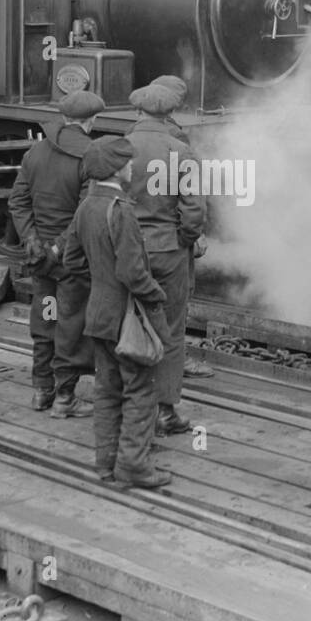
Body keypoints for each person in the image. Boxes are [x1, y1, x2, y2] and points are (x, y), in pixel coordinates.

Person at [65, 136, 171, 489]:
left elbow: (71, 260)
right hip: (127, 317)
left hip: (98, 315)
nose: (131, 167)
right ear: (115, 169)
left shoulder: (86, 207)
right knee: (140, 391)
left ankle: (106, 465)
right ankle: (134, 468)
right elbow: (132, 273)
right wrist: (156, 294)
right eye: (126, 163)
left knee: (107, 391)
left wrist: (101, 282)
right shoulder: (121, 210)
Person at [9, 90, 104, 417]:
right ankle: (65, 397)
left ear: (64, 118)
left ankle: (41, 390)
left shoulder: (35, 152)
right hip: (72, 262)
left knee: (45, 319)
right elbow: (84, 213)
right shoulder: (90, 158)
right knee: (71, 325)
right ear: (91, 121)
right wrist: (59, 247)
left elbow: (18, 202)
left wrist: (33, 241)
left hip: (41, 261)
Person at [125, 83, 206, 435]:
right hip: (169, 250)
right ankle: (164, 411)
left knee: (126, 323)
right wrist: (184, 241)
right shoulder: (181, 152)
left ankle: (127, 403)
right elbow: (194, 212)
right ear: (169, 114)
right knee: (171, 330)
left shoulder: (119, 147)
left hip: (128, 248)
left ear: (138, 112)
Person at [152, 74, 213, 379]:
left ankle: (143, 353)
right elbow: (191, 198)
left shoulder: (130, 137)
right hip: (172, 240)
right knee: (175, 304)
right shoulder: (178, 142)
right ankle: (176, 362)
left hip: (137, 240)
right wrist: (195, 234)